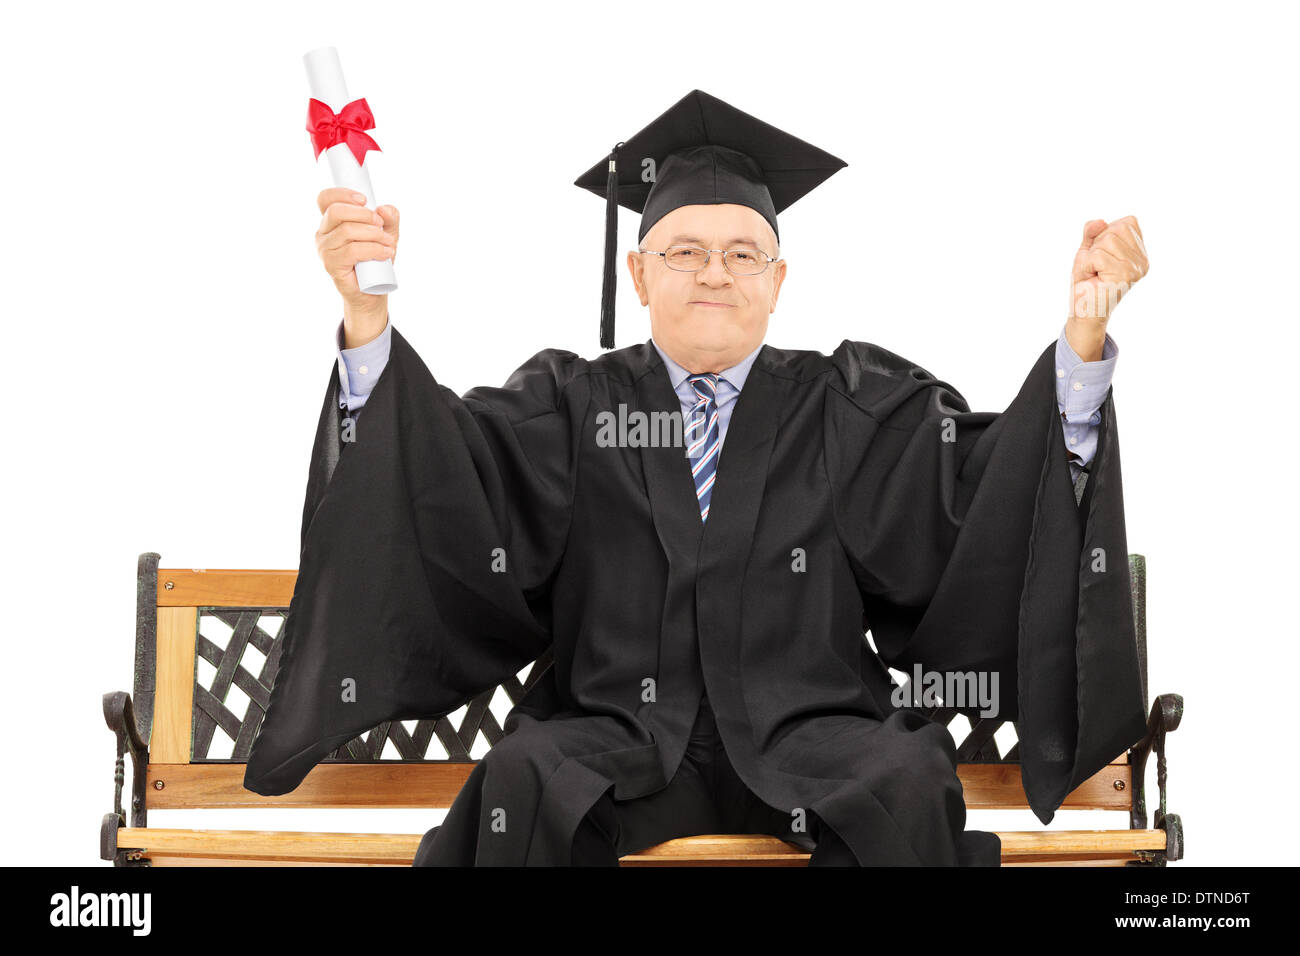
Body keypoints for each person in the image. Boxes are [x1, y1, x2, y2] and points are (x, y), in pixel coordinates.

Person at [244, 91, 1150, 867]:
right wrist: (368, 319)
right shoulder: (571, 403)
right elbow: (441, 475)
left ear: (779, 279)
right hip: (617, 738)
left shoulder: (849, 403)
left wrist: (1081, 342)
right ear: (638, 274)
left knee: (905, 786)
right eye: (683, 252)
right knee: (523, 783)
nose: (715, 273)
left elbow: (982, 502)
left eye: (742, 253)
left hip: (814, 736)